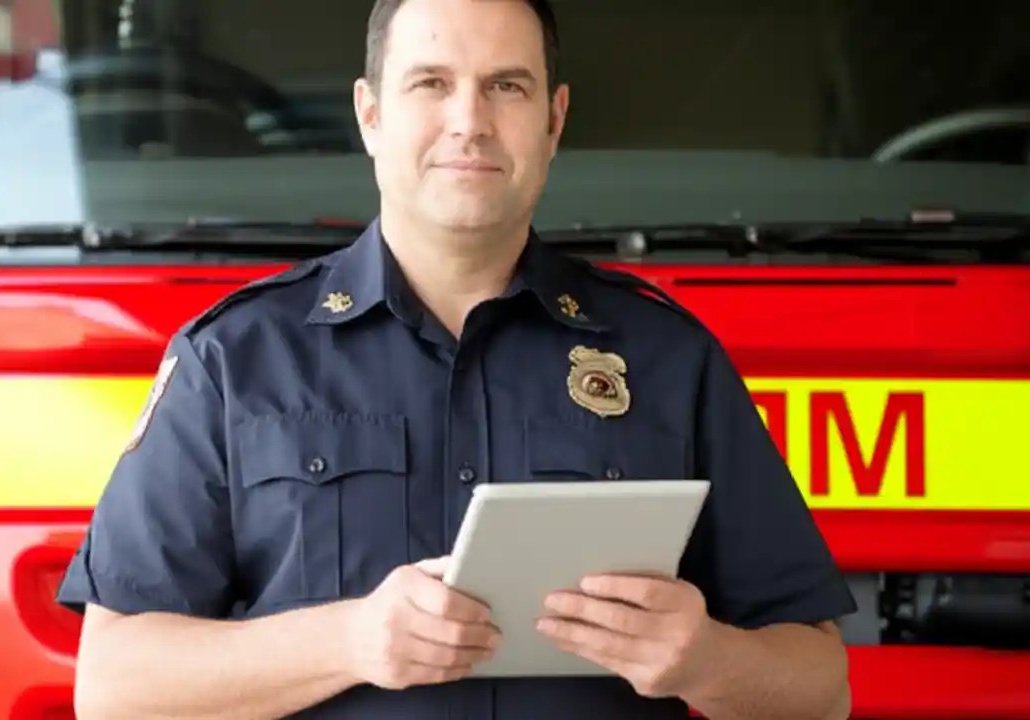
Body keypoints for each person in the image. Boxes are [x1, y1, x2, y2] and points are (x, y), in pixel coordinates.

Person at [56, 0, 858, 717]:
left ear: (554, 121)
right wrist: (348, 640)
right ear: (371, 115)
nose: (469, 120)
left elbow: (822, 689)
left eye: (506, 86)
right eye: (431, 83)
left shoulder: (667, 359)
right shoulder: (236, 360)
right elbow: (116, 688)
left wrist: (707, 661)